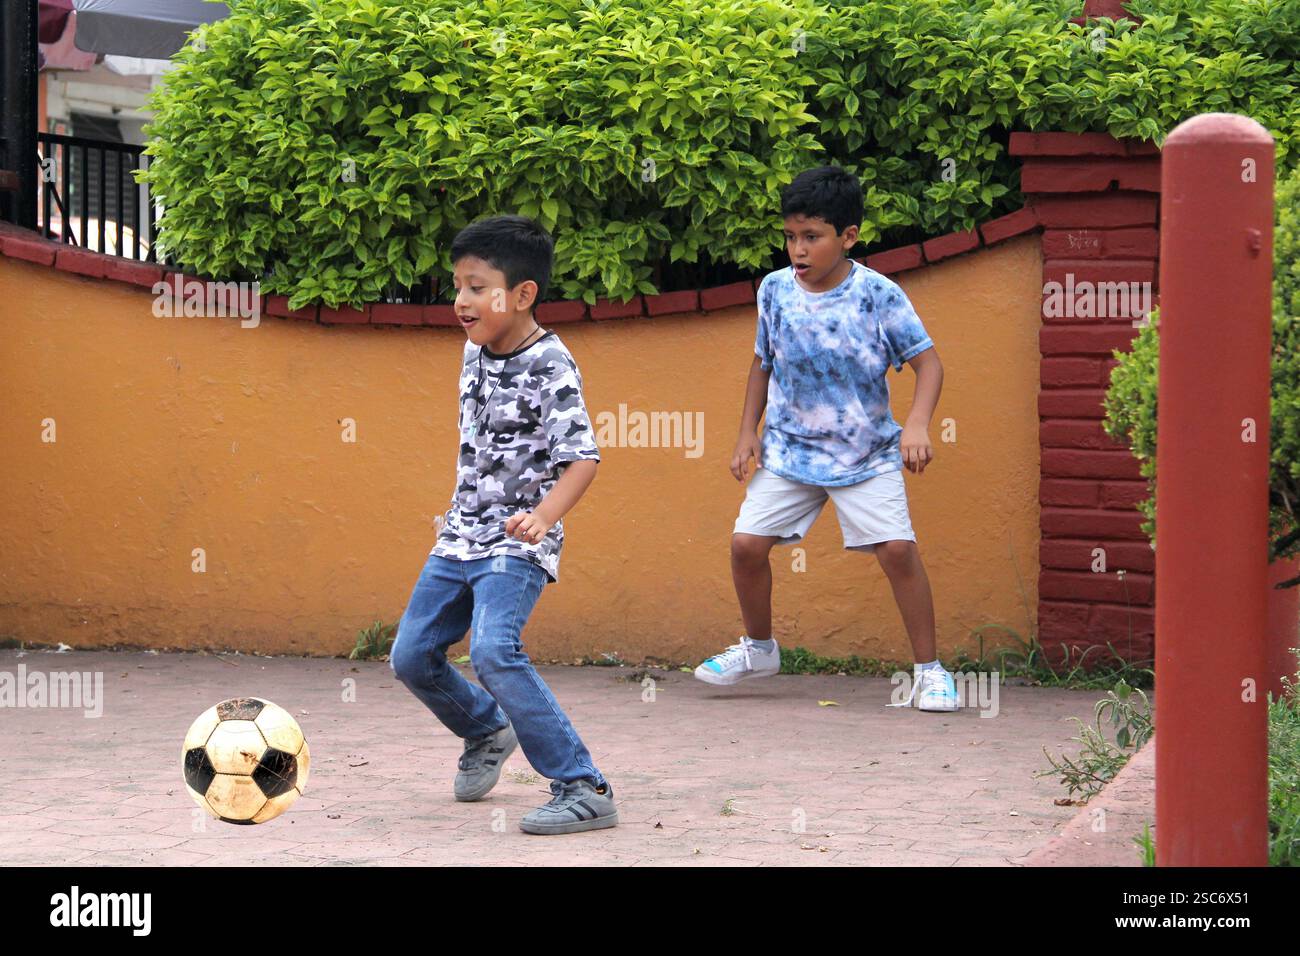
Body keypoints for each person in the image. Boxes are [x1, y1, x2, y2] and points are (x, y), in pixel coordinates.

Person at [695, 165, 959, 712]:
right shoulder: (773, 290)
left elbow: (929, 365)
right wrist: (748, 432)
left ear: (848, 236)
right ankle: (760, 648)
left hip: (866, 453)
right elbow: (761, 365)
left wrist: (916, 423)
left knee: (897, 552)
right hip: (790, 451)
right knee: (746, 545)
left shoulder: (878, 295)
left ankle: (930, 672)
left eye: (811, 236)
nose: (798, 248)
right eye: (790, 236)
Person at [390, 215, 618, 832]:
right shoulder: (474, 349)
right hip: (460, 535)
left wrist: (543, 518)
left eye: (475, 287)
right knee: (411, 657)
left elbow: (583, 459)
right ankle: (486, 729)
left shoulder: (552, 365)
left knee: (494, 649)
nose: (460, 301)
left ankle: (583, 785)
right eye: (457, 286)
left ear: (522, 295)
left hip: (517, 543)